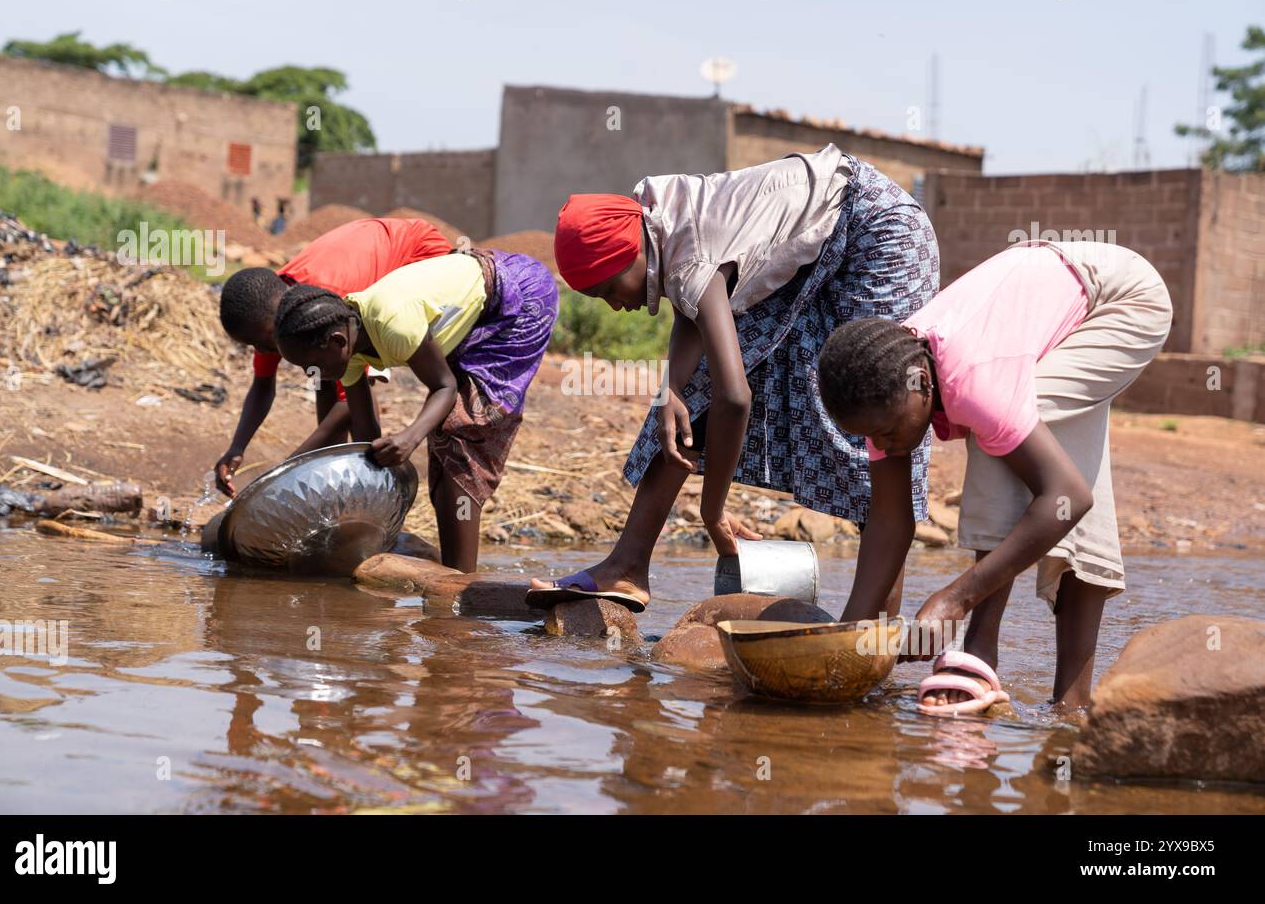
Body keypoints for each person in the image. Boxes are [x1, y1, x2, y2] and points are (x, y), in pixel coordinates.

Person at [527, 145, 939, 613]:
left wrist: (712, 509)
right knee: (685, 398)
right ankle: (627, 566)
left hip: (881, 232)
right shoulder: (652, 218)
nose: (613, 304)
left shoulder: (684, 255)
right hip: (820, 234)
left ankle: (873, 623)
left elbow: (736, 397)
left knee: (872, 401)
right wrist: (670, 390)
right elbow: (691, 301)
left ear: (632, 252)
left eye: (607, 289)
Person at [816, 240, 1172, 714]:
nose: (887, 443)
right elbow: (889, 522)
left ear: (922, 383)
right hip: (1052, 303)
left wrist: (954, 599)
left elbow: (1066, 496)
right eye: (871, 437)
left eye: (887, 431)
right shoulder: (884, 387)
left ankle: (979, 648)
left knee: (1005, 440)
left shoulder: (973, 380)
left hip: (1123, 300)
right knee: (1058, 456)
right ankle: (1072, 700)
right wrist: (845, 642)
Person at [272, 247, 558, 573]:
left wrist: (409, 438)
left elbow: (445, 387)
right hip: (478, 302)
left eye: (311, 365)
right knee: (444, 435)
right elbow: (367, 433)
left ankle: (460, 583)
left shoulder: (393, 323)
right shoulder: (349, 346)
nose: (313, 375)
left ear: (337, 342)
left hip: (521, 295)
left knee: (461, 431)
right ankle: (452, 571)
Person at [214, 217, 451, 495]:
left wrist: (282, 472)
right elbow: (263, 385)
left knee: (361, 375)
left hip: (419, 254)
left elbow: (350, 401)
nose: (263, 351)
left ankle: (376, 485)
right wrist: (237, 447)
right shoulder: (268, 311)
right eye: (254, 345)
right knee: (324, 374)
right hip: (365, 248)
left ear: (277, 321)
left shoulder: (326, 309)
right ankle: (339, 476)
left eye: (264, 343)